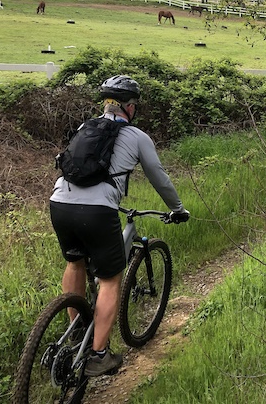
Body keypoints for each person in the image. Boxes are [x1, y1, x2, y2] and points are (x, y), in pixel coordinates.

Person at [49, 75, 190, 377]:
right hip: (98, 212)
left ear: (106, 104)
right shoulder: (137, 137)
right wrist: (178, 209)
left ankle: (75, 333)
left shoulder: (84, 127)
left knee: (75, 263)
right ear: (129, 107)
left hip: (59, 204)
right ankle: (99, 355)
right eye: (134, 105)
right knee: (111, 278)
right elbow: (160, 179)